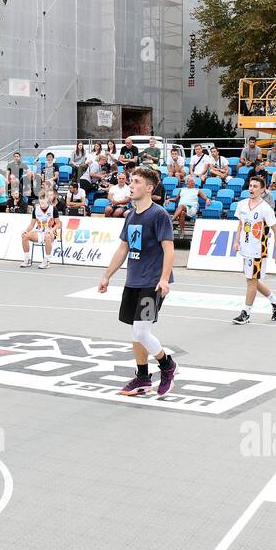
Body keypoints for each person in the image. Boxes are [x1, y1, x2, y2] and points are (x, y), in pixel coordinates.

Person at [97, 167, 178, 397]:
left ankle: (168, 366)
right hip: (133, 280)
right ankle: (143, 378)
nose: (131, 185)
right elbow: (123, 248)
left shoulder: (159, 214)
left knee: (142, 331)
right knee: (136, 333)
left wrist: (164, 279)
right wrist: (107, 275)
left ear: (149, 188)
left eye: (136, 182)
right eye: (130, 181)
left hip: (152, 282)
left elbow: (169, 249)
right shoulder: (131, 215)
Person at [231, 175, 276, 325]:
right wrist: (236, 241)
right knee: (251, 280)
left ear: (262, 190)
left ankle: (246, 313)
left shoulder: (265, 209)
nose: (251, 189)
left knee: (251, 281)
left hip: (258, 251)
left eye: (255, 186)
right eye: (250, 186)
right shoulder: (241, 204)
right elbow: (241, 225)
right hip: (245, 248)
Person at [19, 188, 61, 269]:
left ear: (47, 199)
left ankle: (47, 260)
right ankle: (27, 259)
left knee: (48, 236)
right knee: (24, 236)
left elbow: (59, 224)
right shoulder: (36, 209)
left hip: (52, 232)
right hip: (39, 231)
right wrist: (26, 231)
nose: (42, 201)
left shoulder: (53, 209)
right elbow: (32, 225)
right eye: (40, 198)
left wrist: (51, 230)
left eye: (43, 198)